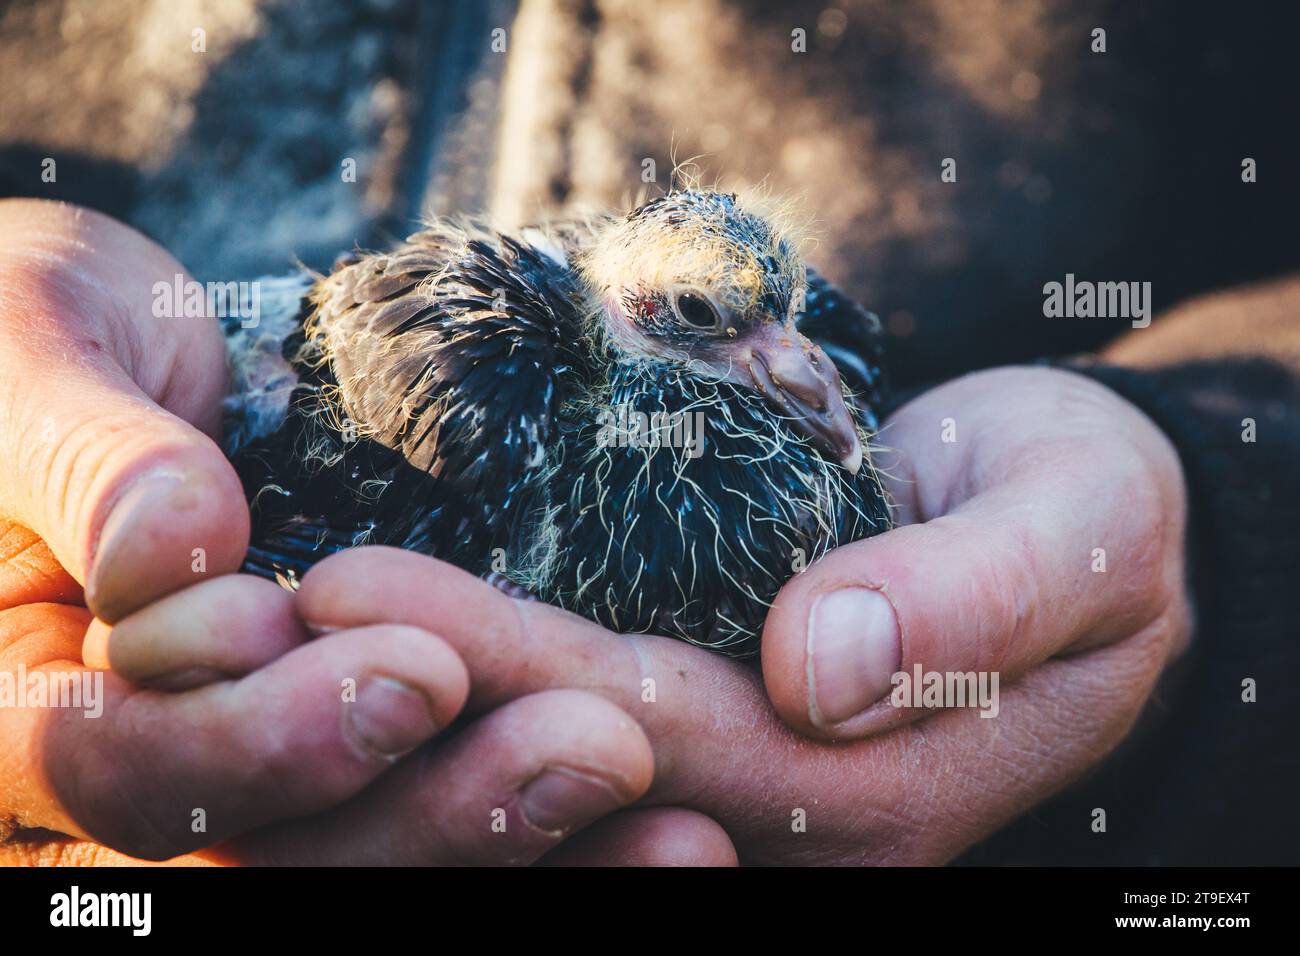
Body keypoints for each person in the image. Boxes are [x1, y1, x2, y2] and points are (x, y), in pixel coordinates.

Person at [0, 0, 1296, 865]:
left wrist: (1216, 500)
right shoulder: (472, 400)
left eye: (772, 325)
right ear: (625, 314)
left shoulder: (821, 365)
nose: (789, 371)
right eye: (706, 329)